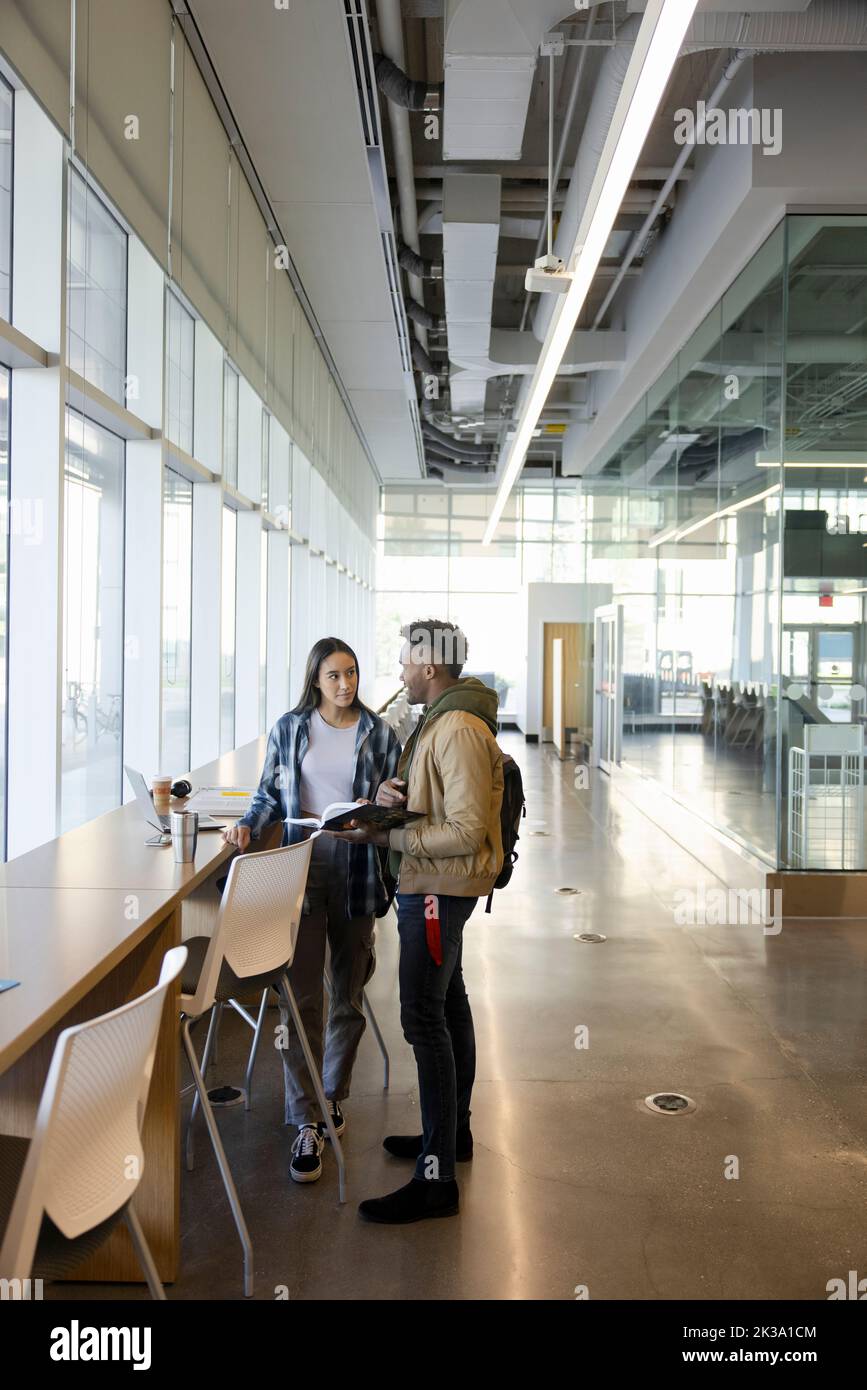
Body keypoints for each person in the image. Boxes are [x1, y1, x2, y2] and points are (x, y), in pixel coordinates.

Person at [333, 619, 503, 1224]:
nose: (400, 670)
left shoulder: (456, 728)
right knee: (447, 1005)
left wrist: (387, 838)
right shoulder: (444, 720)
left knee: (423, 1019)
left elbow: (467, 831)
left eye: (406, 660)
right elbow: (441, 803)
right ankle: (450, 1137)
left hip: (435, 889)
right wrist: (393, 801)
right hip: (434, 884)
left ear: (430, 665)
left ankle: (436, 1179)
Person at [222, 638, 400, 1185]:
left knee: (347, 993)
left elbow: (396, 801)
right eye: (334, 676)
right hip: (300, 864)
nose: (345, 684)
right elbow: (267, 795)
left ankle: (331, 1096)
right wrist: (246, 824)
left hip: (358, 865)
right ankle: (305, 1118)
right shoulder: (291, 728)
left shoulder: (379, 733)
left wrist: (382, 806)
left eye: (351, 673)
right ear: (315, 680)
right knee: (300, 999)